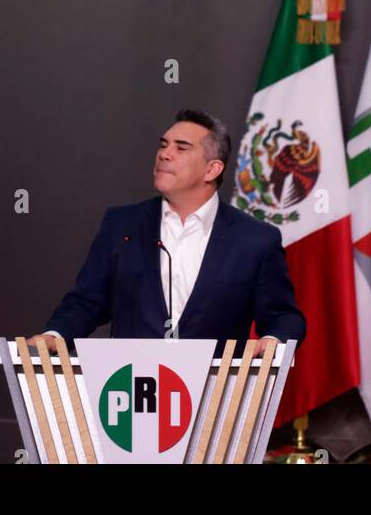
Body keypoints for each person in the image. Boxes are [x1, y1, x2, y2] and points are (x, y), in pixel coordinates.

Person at [28, 108, 306, 357]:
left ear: (212, 169)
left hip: (214, 401)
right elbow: (87, 301)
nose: (164, 153)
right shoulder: (122, 225)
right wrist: (55, 336)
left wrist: (274, 340)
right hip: (129, 392)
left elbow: (284, 316)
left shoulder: (255, 240)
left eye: (181, 147)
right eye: (163, 145)